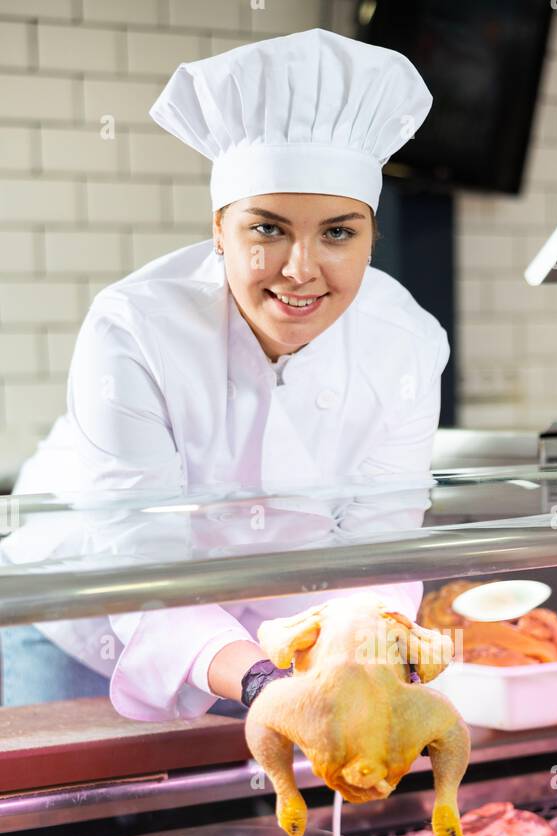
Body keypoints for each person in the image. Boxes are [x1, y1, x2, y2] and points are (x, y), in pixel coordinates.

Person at [1, 29, 448, 721]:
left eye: (337, 232)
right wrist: (264, 683)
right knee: (75, 820)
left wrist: (364, 653)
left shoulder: (406, 343)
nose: (301, 269)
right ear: (218, 229)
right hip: (82, 626)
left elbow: (379, 543)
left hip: (280, 634)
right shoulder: (135, 328)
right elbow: (137, 559)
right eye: (266, 230)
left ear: (370, 234)